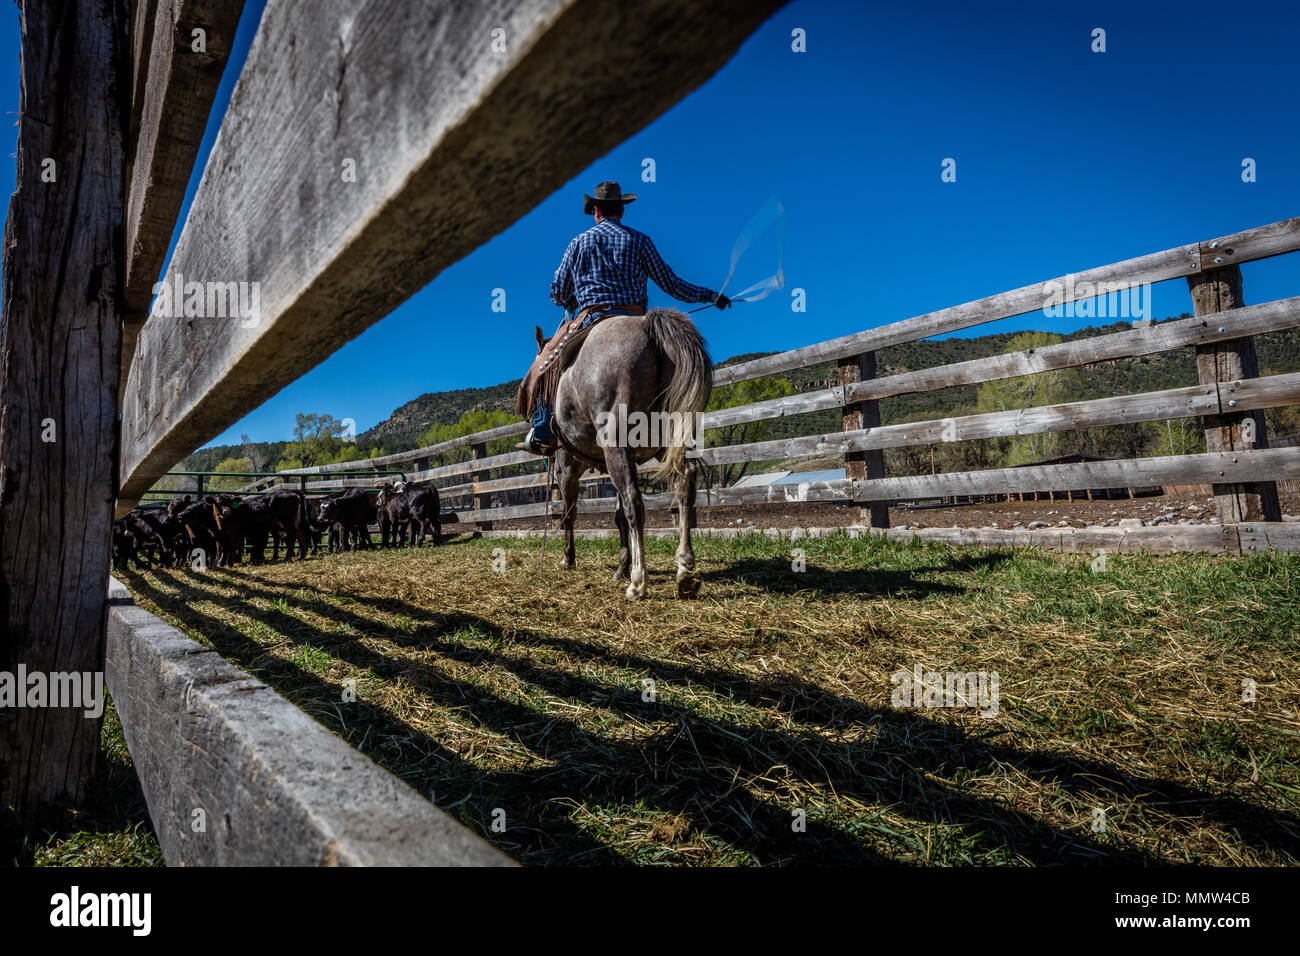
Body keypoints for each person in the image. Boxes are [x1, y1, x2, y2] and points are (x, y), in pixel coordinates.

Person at [516, 181, 730, 454]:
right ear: (622, 210)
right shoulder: (640, 241)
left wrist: (572, 298)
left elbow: (557, 293)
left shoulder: (578, 243)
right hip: (637, 318)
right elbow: (672, 284)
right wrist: (710, 295)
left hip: (590, 319)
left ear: (596, 211)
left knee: (546, 362)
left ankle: (543, 431)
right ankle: (674, 430)